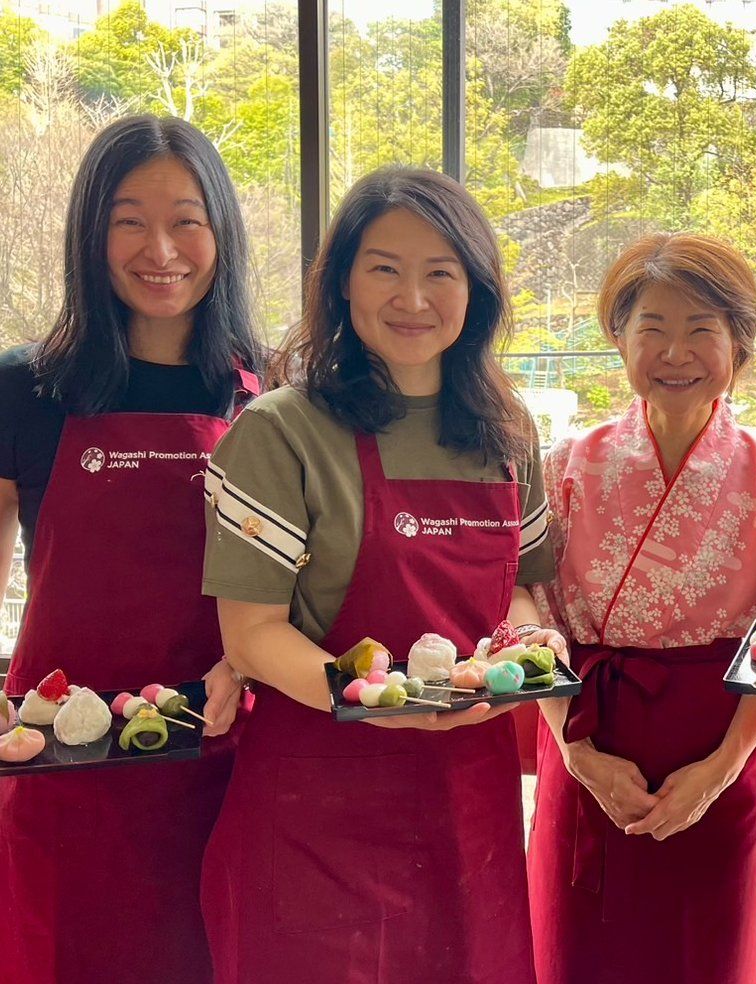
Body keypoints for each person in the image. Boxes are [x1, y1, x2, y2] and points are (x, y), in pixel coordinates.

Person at [197, 166, 562, 983]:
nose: (413, 298)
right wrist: (376, 699)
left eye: (441, 272)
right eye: (384, 268)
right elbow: (251, 635)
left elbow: (519, 583)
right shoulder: (280, 432)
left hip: (467, 802)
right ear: (342, 283)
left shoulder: (506, 432)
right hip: (315, 806)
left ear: (477, 291)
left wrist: (528, 639)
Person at [0, 114, 263, 984]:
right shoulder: (25, 388)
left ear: (220, 229)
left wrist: (247, 661)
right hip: (60, 759)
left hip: (226, 754)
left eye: (187, 218)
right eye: (128, 219)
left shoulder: (268, 392)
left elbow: (309, 573)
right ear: (91, 233)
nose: (162, 248)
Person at [528, 233, 756, 984]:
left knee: (704, 954)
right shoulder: (566, 463)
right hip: (585, 731)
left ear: (738, 341)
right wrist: (573, 750)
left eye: (702, 329)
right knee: (581, 955)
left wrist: (723, 765)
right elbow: (530, 611)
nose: (676, 352)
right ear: (618, 338)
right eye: (652, 329)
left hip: (720, 744)